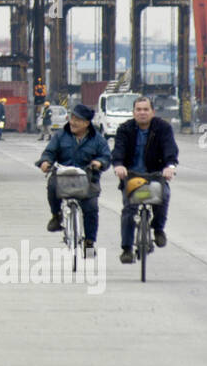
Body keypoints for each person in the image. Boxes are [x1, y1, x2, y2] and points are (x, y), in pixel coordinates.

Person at [111, 94, 179, 264]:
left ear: (152, 112)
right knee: (129, 209)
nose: (142, 113)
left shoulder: (163, 128)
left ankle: (158, 229)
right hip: (132, 176)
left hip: (155, 175)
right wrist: (118, 165)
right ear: (133, 112)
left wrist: (169, 167)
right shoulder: (125, 129)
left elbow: (170, 149)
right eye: (138, 110)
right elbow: (118, 150)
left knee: (164, 195)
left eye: (146, 109)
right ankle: (126, 249)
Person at [37, 104, 111, 250]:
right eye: (72, 118)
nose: (73, 122)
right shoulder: (60, 135)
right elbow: (49, 152)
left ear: (87, 123)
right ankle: (56, 216)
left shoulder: (97, 139)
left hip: (88, 179)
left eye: (78, 120)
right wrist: (45, 162)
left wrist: (99, 162)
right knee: (52, 184)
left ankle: (89, 242)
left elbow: (106, 156)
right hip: (64, 176)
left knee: (91, 208)